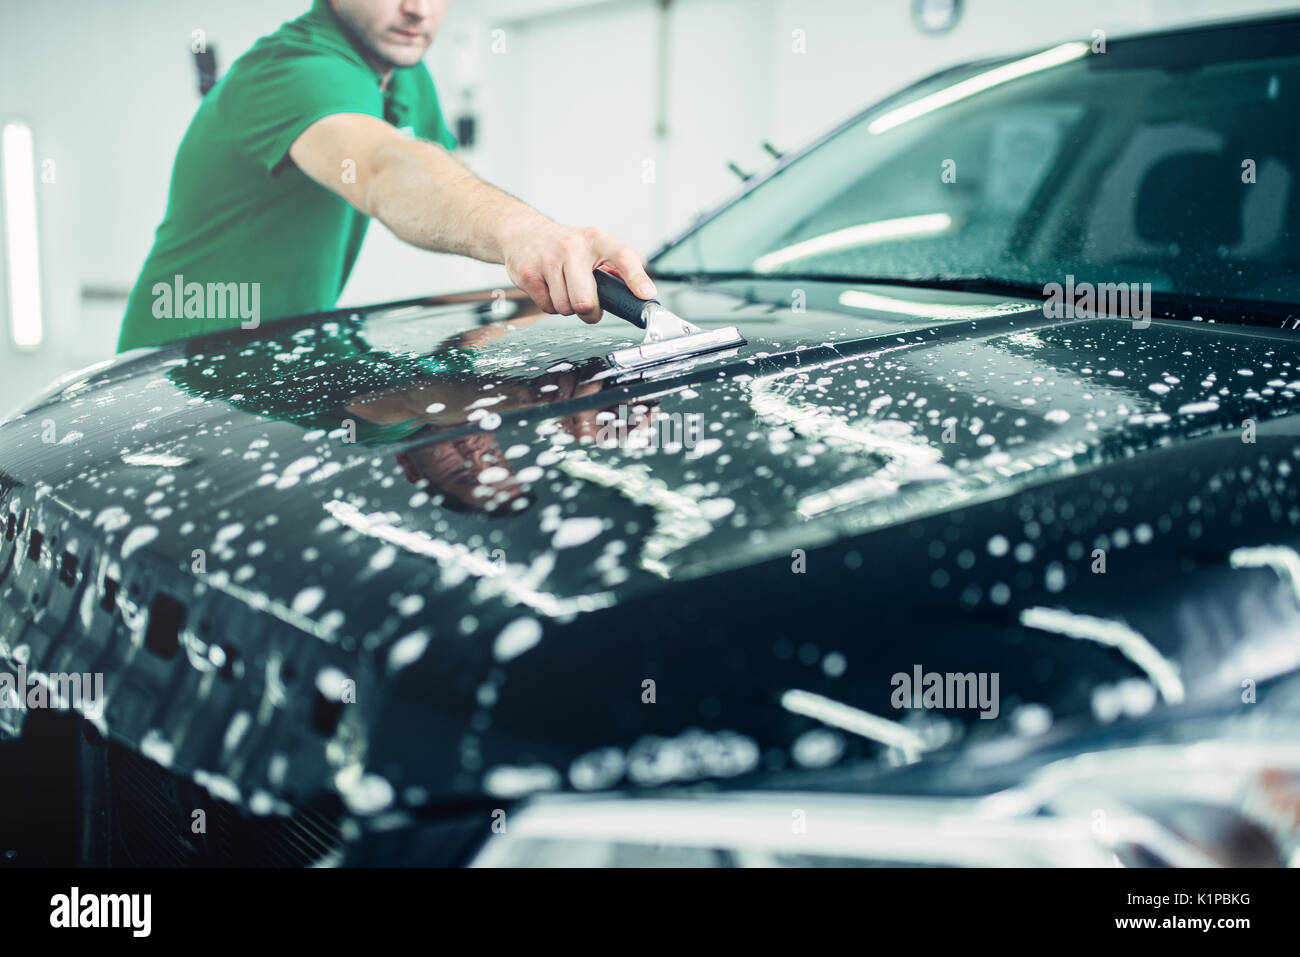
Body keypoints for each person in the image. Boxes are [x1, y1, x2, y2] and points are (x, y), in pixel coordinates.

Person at [117, 0, 656, 351]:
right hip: (176, 365)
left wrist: (530, 291)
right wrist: (525, 233)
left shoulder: (407, 76)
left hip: (287, 351)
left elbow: (439, 180)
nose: (417, 9)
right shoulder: (291, 70)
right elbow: (383, 168)